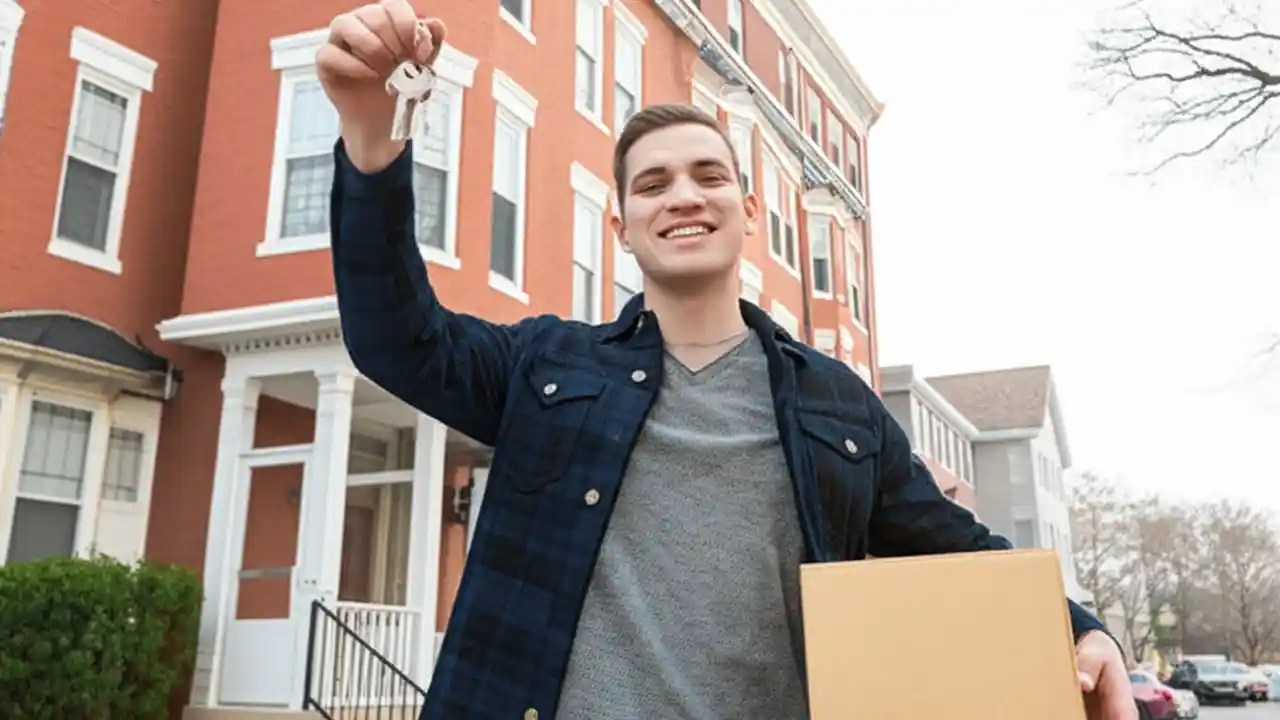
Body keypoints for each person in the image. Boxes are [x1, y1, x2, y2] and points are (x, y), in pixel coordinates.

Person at [317, 3, 1136, 718]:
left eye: (709, 175)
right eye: (653, 184)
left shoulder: (838, 406)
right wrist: (368, 140)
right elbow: (398, 338)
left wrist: (1079, 628)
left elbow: (956, 549)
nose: (683, 194)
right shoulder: (545, 366)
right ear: (622, 226)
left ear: (747, 211)